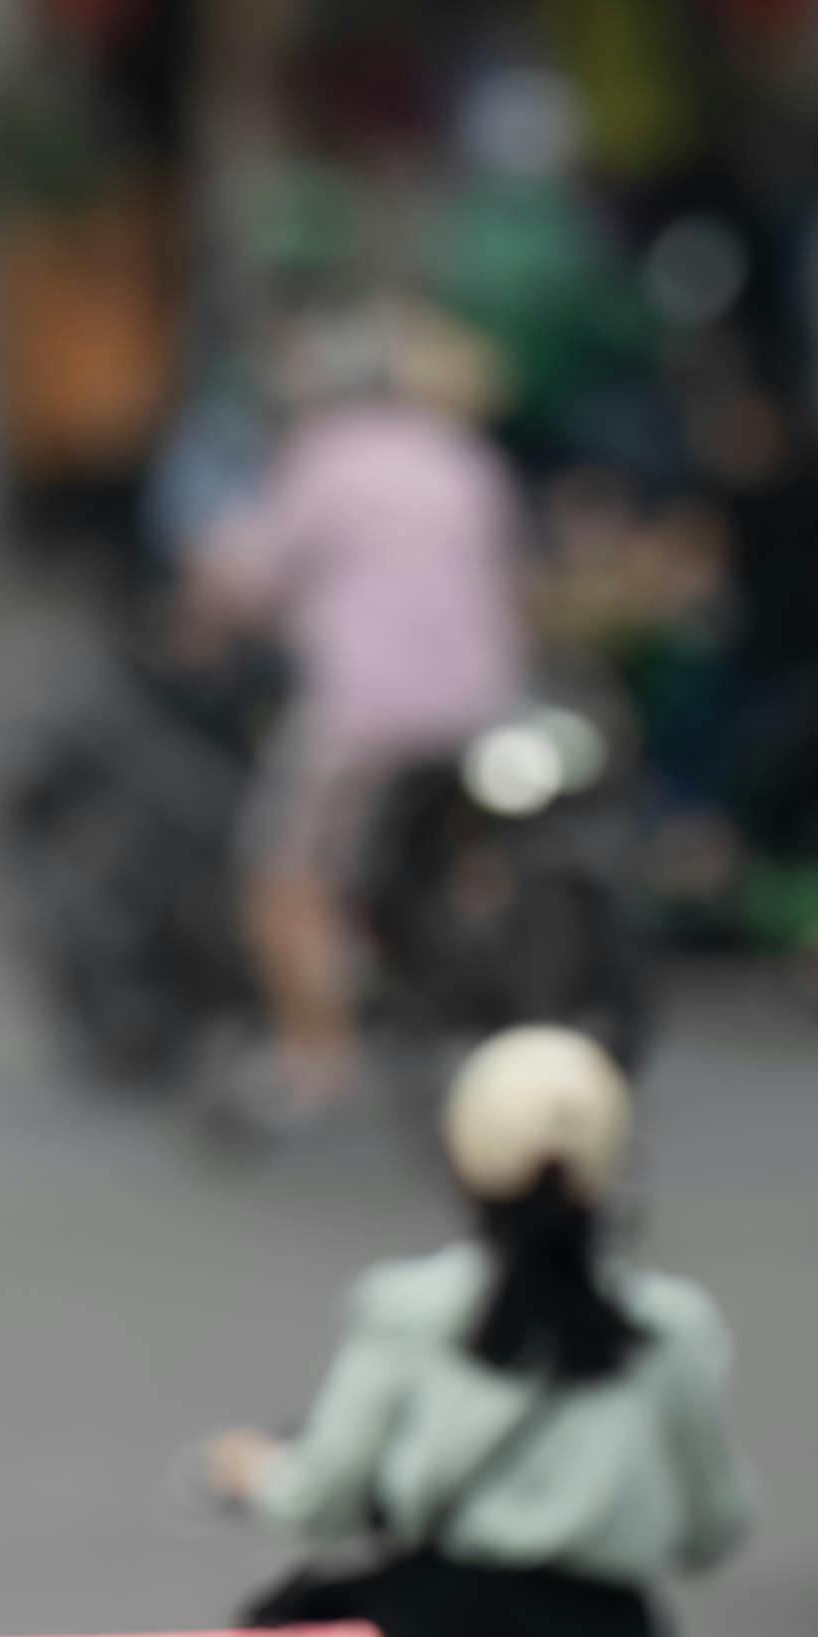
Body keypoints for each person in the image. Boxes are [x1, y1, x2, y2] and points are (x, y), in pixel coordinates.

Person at [205, 1022, 753, 1637]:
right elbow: (715, 1526)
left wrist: (246, 1468)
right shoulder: (674, 1325)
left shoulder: (406, 1308)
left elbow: (318, 1499)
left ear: (464, 1153)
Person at [182, 306, 537, 1129]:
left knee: (282, 878)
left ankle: (314, 1059)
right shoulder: (461, 457)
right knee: (476, 859)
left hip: (369, 711)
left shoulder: (325, 460)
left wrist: (207, 597)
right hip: (483, 706)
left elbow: (250, 576)